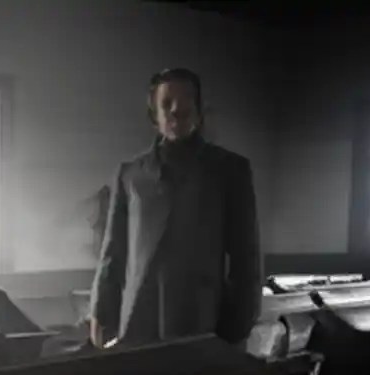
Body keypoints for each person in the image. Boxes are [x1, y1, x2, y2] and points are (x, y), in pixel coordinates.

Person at [89, 68, 261, 349]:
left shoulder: (230, 169)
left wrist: (240, 323)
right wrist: (100, 311)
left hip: (202, 319)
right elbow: (113, 250)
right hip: (138, 319)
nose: (177, 110)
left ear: (198, 110)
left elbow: (246, 255)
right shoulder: (130, 174)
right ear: (154, 115)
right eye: (167, 103)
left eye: (186, 101)